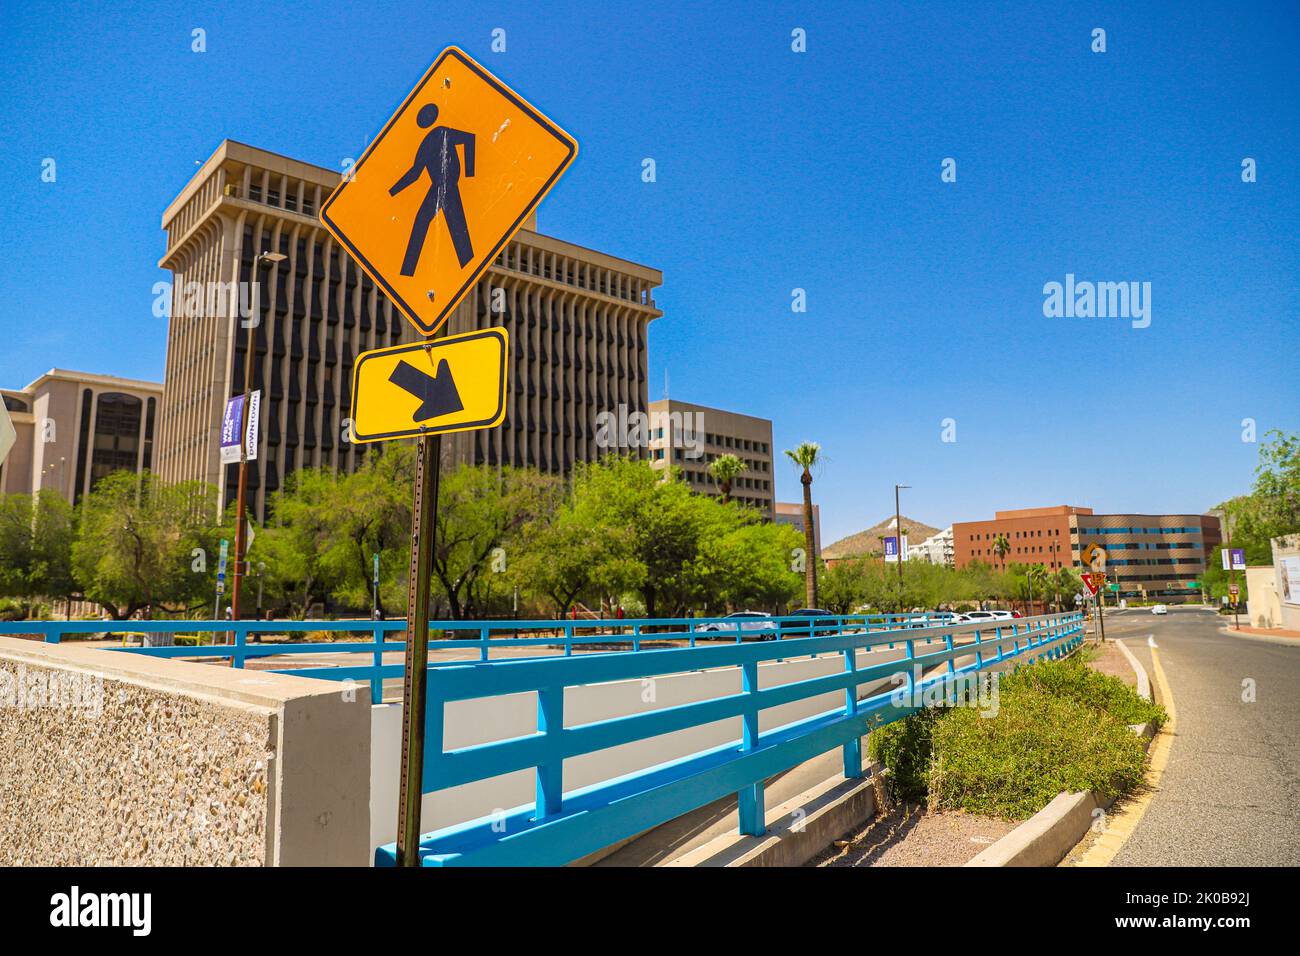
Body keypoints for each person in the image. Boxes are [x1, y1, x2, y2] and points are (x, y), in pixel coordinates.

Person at [390, 103, 476, 275]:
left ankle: (467, 267)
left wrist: (469, 173)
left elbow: (469, 139)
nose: (424, 119)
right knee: (424, 221)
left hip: (448, 185)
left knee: (456, 227)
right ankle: (407, 271)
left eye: (427, 116)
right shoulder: (425, 143)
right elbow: (415, 173)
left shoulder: (442, 132)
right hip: (437, 186)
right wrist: (392, 191)